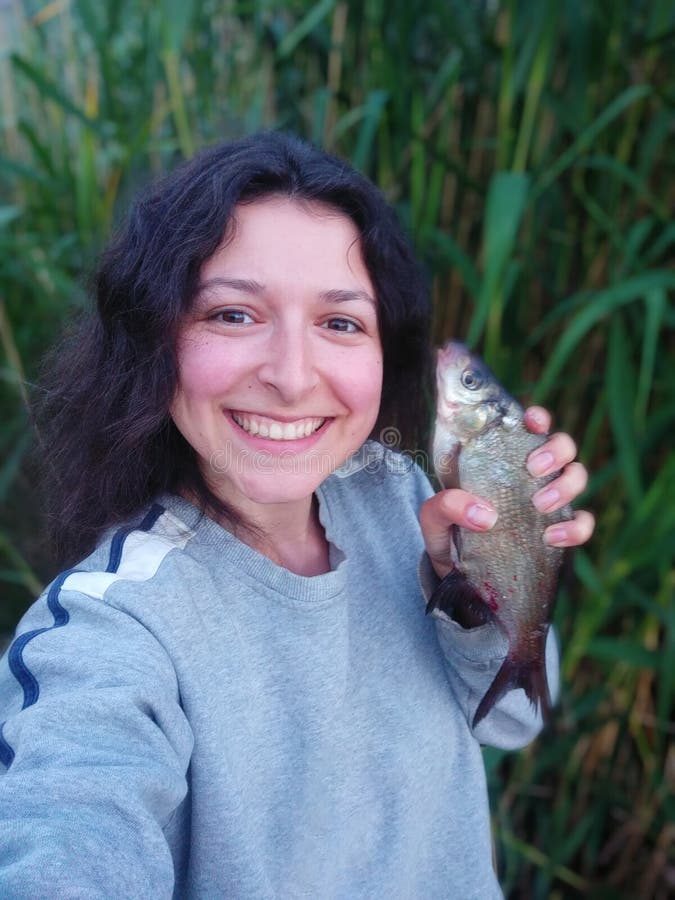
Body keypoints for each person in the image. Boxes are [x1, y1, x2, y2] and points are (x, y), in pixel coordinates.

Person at [0, 132, 593, 899]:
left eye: (339, 322)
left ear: (384, 350)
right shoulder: (110, 628)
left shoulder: (396, 494)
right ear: (155, 336)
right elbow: (67, 828)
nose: (289, 376)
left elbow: (511, 720)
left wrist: (476, 582)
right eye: (233, 314)